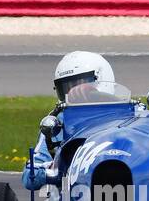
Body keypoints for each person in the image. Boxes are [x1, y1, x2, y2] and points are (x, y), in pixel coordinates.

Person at [22, 51, 116, 190]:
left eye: (81, 84)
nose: (74, 92)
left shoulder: (130, 114)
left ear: (101, 79)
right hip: (73, 199)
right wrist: (55, 168)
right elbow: (30, 176)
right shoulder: (57, 122)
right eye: (67, 87)